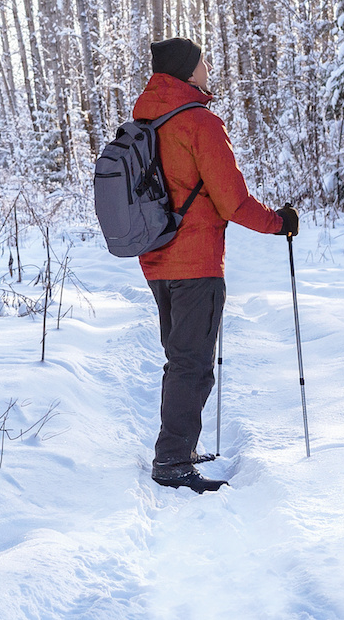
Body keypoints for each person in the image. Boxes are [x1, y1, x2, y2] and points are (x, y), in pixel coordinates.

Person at [134, 36, 298, 493]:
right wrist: (278, 223)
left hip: (155, 258)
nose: (209, 66)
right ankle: (171, 462)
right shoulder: (198, 123)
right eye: (203, 60)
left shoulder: (148, 119)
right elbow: (233, 201)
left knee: (179, 358)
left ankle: (179, 447)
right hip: (196, 261)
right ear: (188, 71)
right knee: (192, 364)